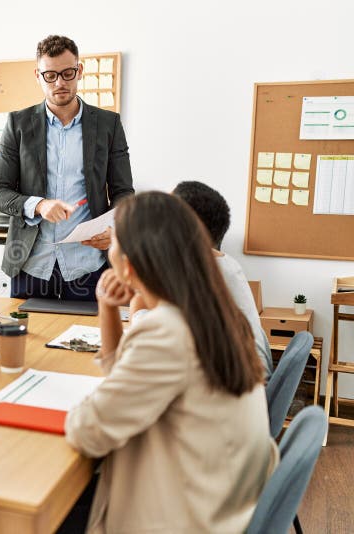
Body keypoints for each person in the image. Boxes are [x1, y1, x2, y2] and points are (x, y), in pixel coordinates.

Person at [64, 192, 277, 532]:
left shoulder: (168, 333)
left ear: (129, 266)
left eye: (112, 243)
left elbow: (88, 431)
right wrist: (110, 308)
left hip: (178, 515)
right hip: (218, 501)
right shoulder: (212, 312)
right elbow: (128, 377)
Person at [0, 34, 134, 302]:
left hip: (88, 265)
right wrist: (39, 205)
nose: (60, 83)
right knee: (26, 340)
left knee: (89, 341)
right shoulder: (17, 124)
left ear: (79, 71)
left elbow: (124, 191)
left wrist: (116, 230)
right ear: (38, 75)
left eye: (68, 73)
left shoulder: (108, 125)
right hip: (31, 265)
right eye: (50, 75)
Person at [173, 180, 273, 378]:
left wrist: (138, 304)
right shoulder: (223, 264)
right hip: (243, 386)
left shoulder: (201, 272)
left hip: (235, 391)